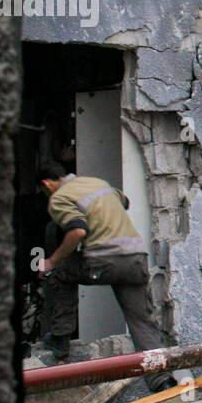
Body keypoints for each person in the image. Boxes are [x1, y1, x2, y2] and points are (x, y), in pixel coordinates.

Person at [36, 164, 172, 389]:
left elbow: (77, 231)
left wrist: (51, 261)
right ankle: (161, 381)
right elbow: (124, 201)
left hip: (105, 260)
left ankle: (60, 339)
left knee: (59, 272)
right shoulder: (98, 183)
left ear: (46, 184)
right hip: (136, 259)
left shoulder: (59, 198)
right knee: (142, 322)